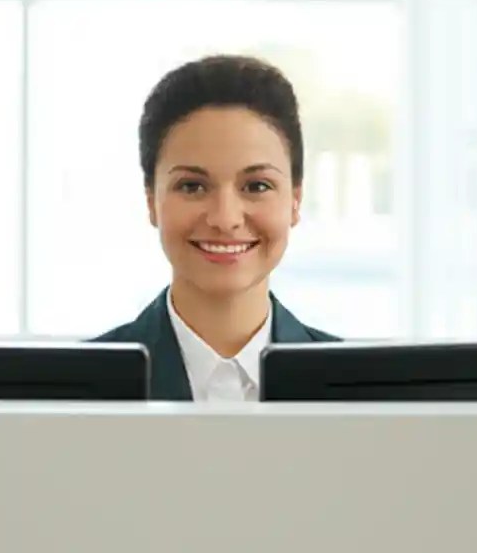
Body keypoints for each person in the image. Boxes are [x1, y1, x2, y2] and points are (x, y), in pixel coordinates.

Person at [93, 54, 339, 401]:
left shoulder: (363, 390)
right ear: (151, 200)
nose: (225, 219)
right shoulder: (77, 388)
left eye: (256, 186)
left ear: (295, 200)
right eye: (192, 186)